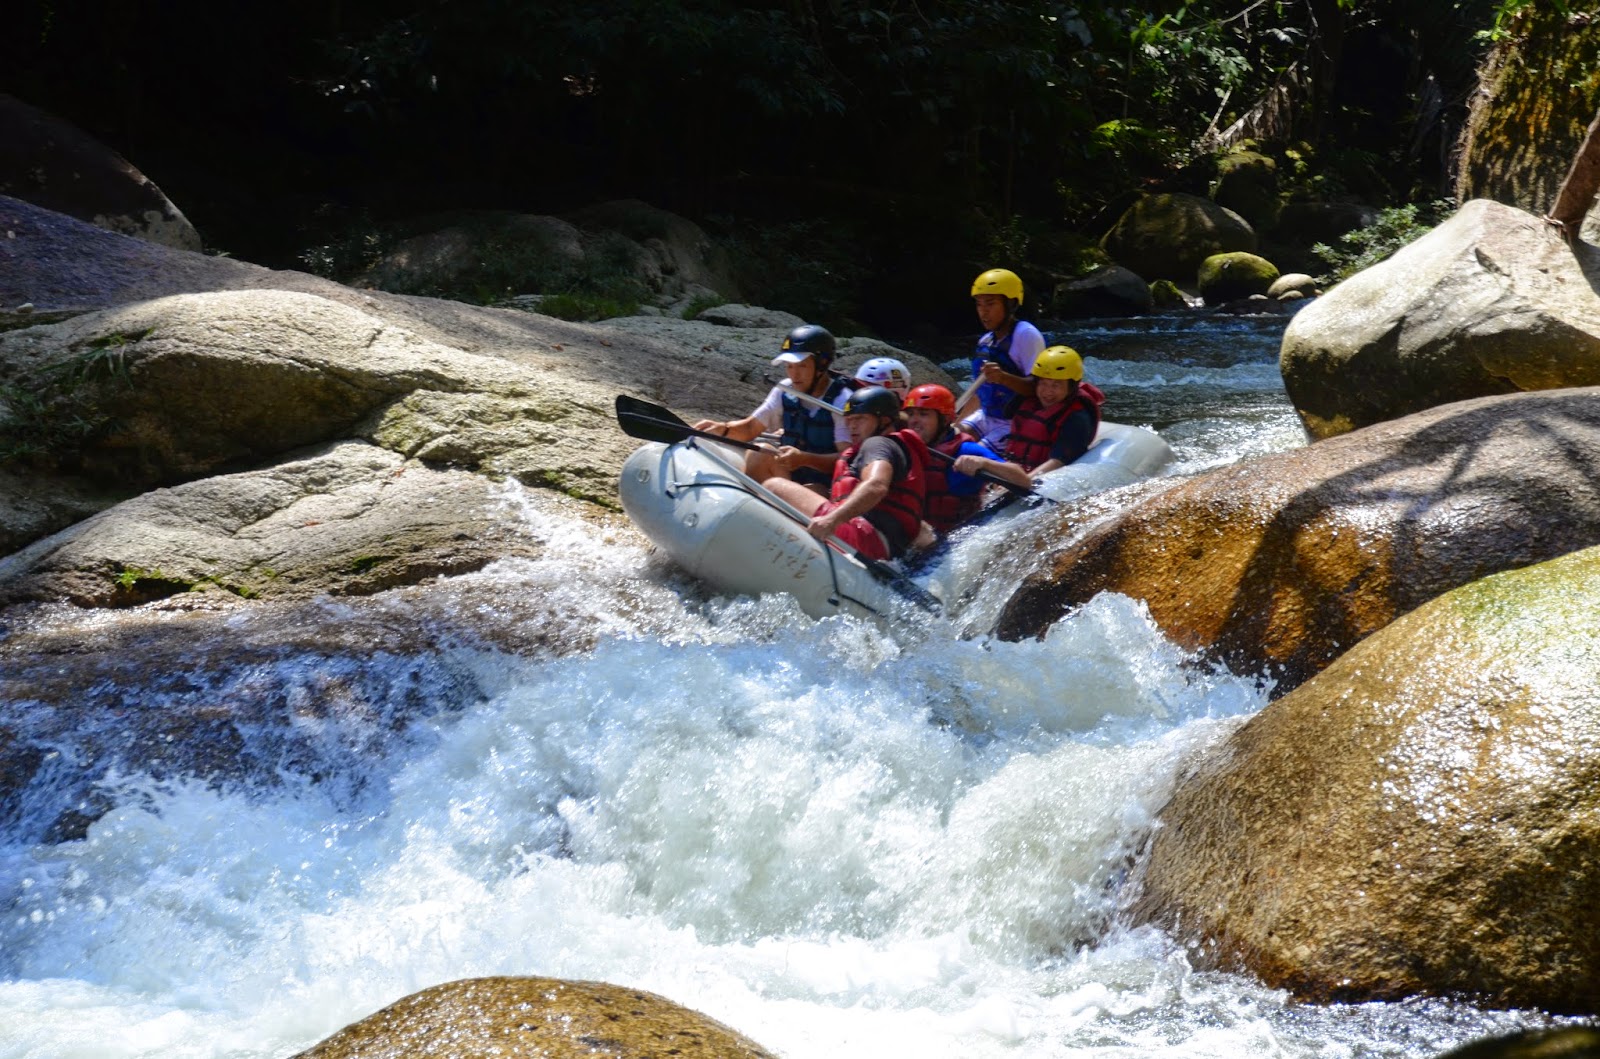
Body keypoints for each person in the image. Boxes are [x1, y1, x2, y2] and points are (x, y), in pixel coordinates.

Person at [764, 386, 929, 562]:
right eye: (849, 420)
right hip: (884, 547)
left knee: (773, 486)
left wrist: (832, 519)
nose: (852, 426)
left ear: (884, 421)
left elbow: (876, 485)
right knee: (816, 489)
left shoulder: (878, 444)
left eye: (860, 419)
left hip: (868, 540)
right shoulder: (891, 446)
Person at [693, 324, 852, 489]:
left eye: (802, 366)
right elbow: (750, 428)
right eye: (789, 366)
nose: (794, 374)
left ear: (822, 364)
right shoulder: (785, 390)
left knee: (815, 489)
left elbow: (846, 460)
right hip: (792, 477)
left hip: (826, 487)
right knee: (759, 452)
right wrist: (722, 429)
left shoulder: (841, 401)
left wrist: (805, 459)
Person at [953, 345, 1105, 491]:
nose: (1047, 392)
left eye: (1056, 385)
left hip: (1037, 479)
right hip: (1014, 470)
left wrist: (1025, 482)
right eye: (1043, 384)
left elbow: (1059, 461)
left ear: (1072, 386)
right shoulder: (1027, 401)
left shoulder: (1077, 417)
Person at [957, 267, 1047, 449]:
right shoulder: (986, 341)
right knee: (950, 441)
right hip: (986, 416)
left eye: (990, 304)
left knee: (971, 453)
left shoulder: (1026, 335)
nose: (983, 312)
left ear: (1011, 304)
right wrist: (953, 423)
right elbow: (980, 394)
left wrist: (1003, 378)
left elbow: (1040, 389)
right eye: (979, 304)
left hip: (1015, 421)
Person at [901, 383, 1000, 539]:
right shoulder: (902, 446)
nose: (914, 421)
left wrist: (984, 463)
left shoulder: (966, 450)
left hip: (955, 541)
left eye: (923, 414)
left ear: (945, 419)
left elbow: (1020, 478)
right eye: (911, 414)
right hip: (915, 537)